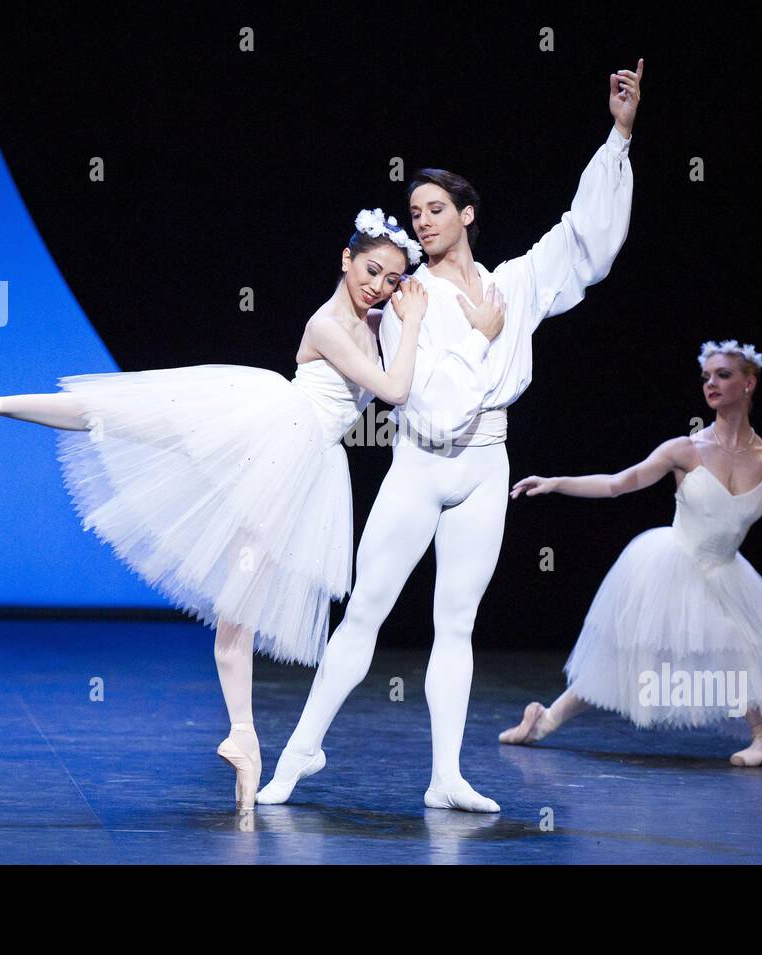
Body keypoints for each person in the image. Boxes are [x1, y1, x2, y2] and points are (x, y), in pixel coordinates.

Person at [0, 209, 429, 810]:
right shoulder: (330, 323)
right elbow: (393, 391)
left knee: (239, 613)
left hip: (299, 467)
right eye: (372, 270)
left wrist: (413, 312)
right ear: (345, 259)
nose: (380, 286)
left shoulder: (375, 323)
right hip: (269, 426)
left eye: (392, 280)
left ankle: (244, 737)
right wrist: (411, 320)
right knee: (128, 415)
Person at [259, 61, 644, 813]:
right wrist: (477, 329)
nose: (424, 219)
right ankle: (299, 752)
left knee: (456, 622)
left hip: (486, 465)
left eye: (437, 207)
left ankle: (444, 775)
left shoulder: (516, 282)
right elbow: (401, 363)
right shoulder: (410, 292)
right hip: (419, 463)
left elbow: (584, 241)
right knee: (366, 608)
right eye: (416, 209)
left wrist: (620, 135)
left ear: (468, 214)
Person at [499, 340, 762, 766]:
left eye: (723, 375)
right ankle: (545, 720)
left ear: (749, 383)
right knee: (626, 656)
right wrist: (556, 481)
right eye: (706, 377)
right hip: (673, 561)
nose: (712, 384)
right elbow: (617, 483)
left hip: (724, 570)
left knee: (738, 645)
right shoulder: (685, 449)